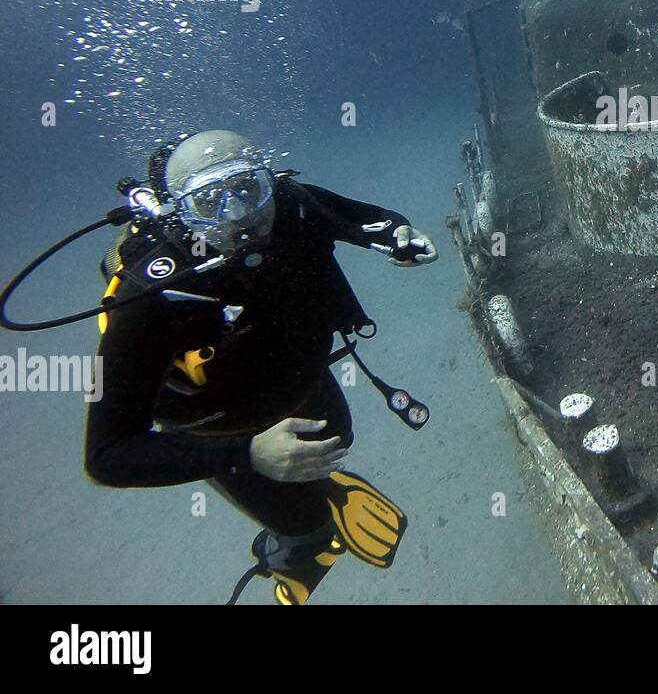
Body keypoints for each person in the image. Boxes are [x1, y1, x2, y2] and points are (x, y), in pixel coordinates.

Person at [84, 130, 437, 604]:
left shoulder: (293, 206)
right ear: (181, 214)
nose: (239, 214)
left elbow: (364, 220)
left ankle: (321, 489)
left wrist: (399, 237)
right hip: (217, 426)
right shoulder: (147, 301)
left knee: (338, 439)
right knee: (301, 523)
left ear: (269, 180)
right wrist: (249, 453)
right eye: (209, 202)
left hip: (297, 379)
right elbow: (107, 456)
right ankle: (299, 551)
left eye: (248, 188)